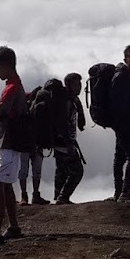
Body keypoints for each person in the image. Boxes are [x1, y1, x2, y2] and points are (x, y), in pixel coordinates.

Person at [0, 46, 26, 247]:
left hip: (7, 142)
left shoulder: (11, 88)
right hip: (10, 143)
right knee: (7, 185)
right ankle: (13, 227)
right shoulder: (15, 85)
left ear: (6, 65)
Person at [110, 44, 130, 202]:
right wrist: (128, 120)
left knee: (120, 157)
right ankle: (125, 192)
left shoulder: (128, 75)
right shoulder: (123, 76)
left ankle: (119, 192)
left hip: (122, 123)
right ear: (127, 58)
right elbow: (119, 102)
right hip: (123, 124)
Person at [53, 72, 87, 204]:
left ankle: (58, 198)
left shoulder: (72, 100)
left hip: (59, 142)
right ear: (68, 85)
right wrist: (68, 144)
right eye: (75, 84)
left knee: (61, 171)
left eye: (79, 84)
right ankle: (63, 197)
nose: (79, 87)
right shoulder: (66, 102)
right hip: (64, 142)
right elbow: (61, 123)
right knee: (77, 171)